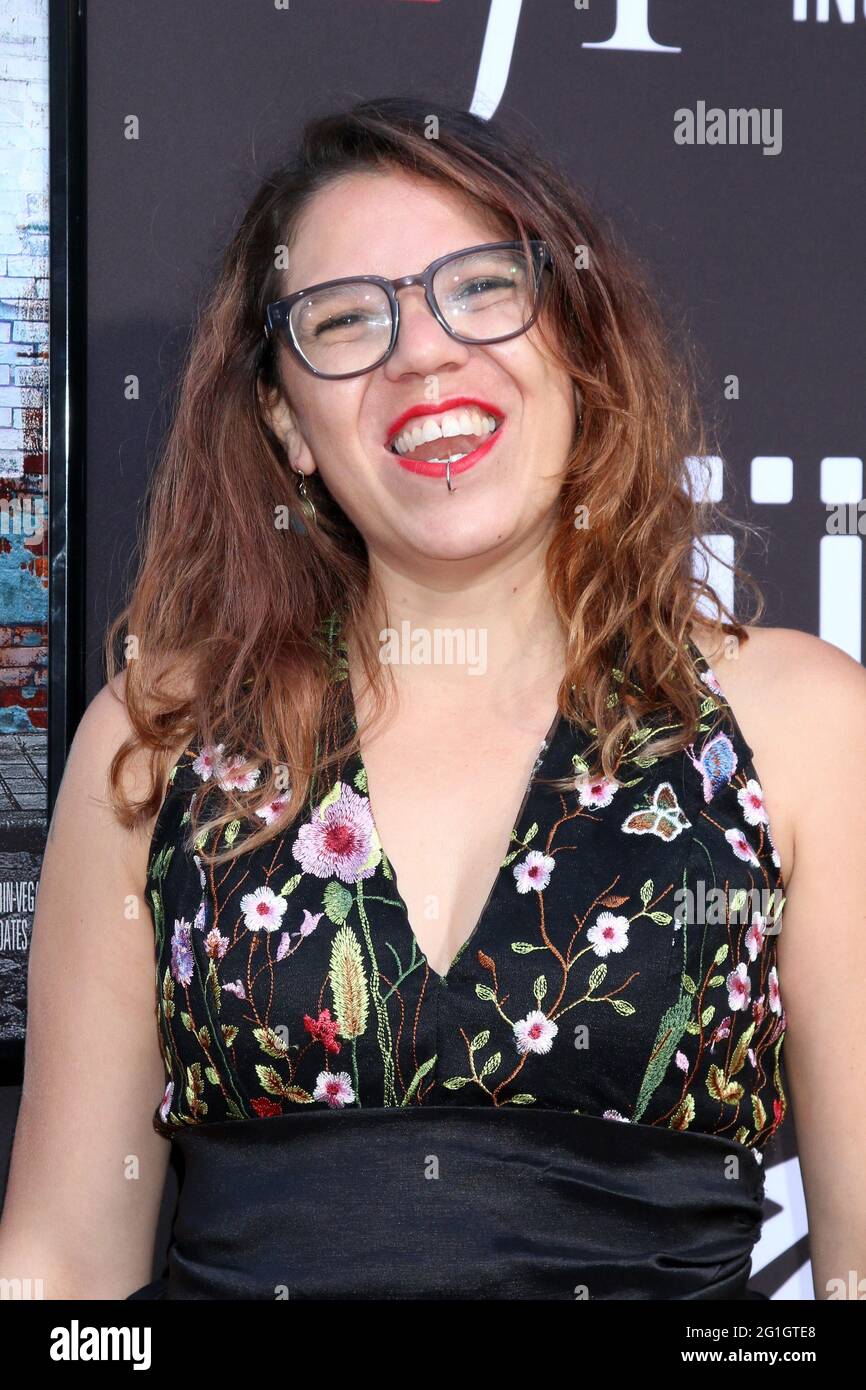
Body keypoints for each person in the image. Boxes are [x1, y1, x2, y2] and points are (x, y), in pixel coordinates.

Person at [1, 95, 864, 1302]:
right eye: (345, 320)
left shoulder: (800, 726)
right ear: (284, 425)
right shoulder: (160, 738)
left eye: (478, 289)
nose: (421, 353)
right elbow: (59, 1272)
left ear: (576, 339)